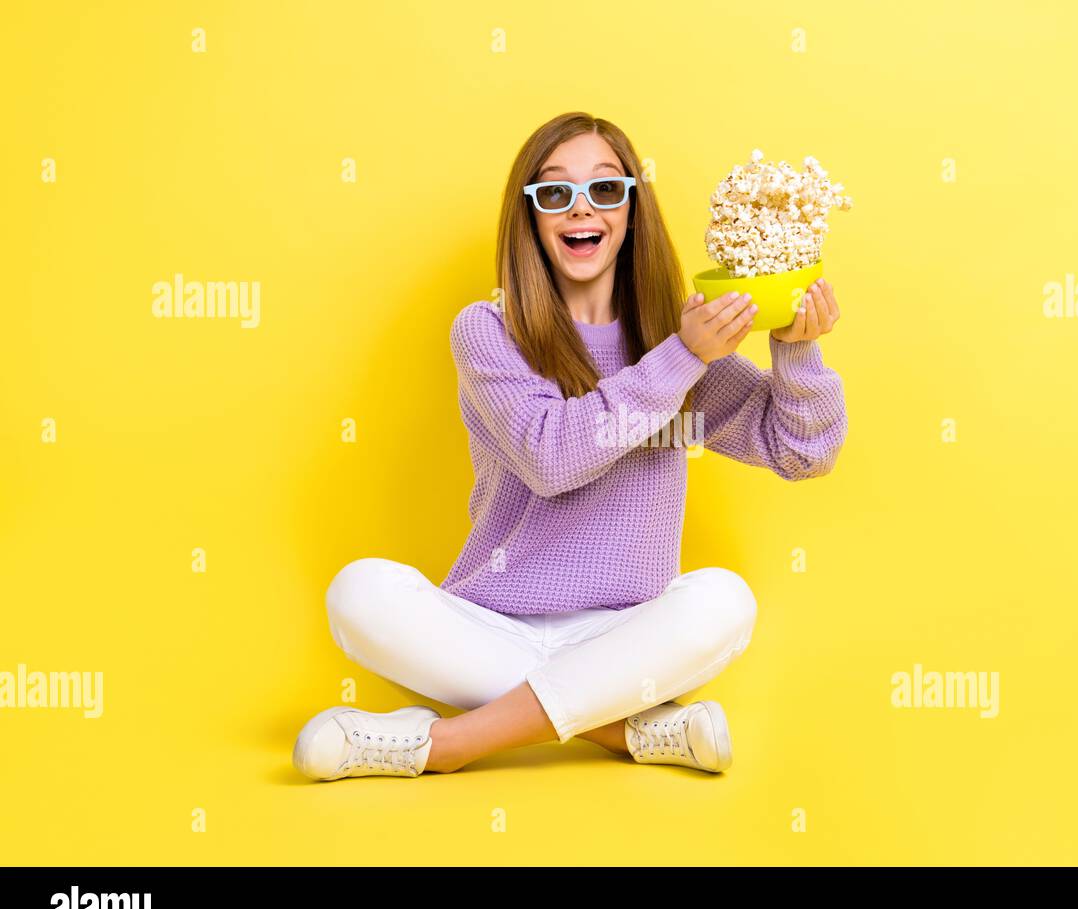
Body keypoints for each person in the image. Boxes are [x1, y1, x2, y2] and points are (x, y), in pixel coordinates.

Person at [293, 111, 847, 781]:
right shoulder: (489, 332)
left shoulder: (673, 345)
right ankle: (627, 732)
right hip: (488, 628)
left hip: (624, 633)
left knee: (724, 602)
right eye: (553, 192)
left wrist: (797, 349)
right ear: (529, 218)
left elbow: (801, 452)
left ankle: (445, 744)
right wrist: (683, 358)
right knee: (361, 592)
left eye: (605, 189)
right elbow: (552, 458)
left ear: (632, 212)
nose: (580, 208)